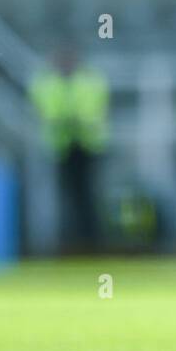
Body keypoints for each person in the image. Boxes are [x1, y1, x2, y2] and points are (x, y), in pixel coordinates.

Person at [30, 46, 110, 254]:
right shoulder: (50, 83)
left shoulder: (87, 81)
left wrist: (69, 121)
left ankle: (91, 241)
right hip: (63, 146)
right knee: (70, 196)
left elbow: (93, 110)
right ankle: (74, 242)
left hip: (87, 145)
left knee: (87, 196)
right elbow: (45, 110)